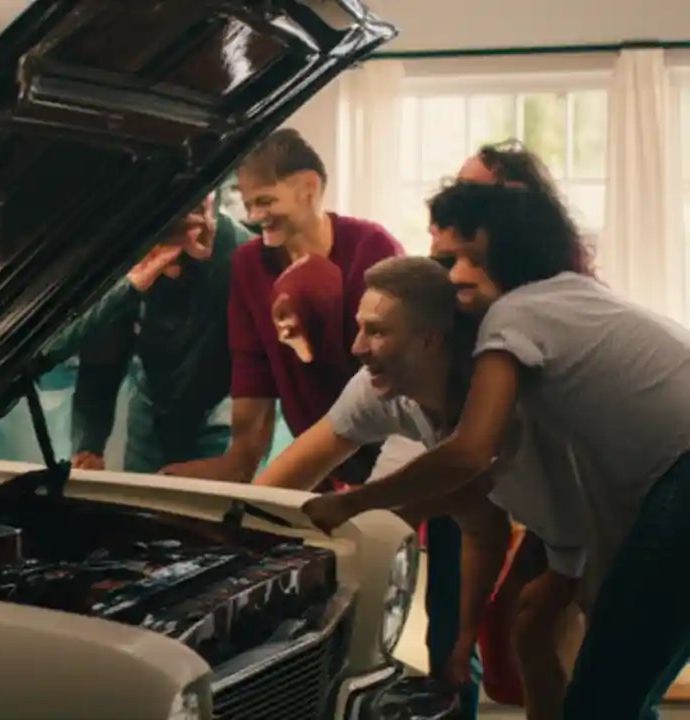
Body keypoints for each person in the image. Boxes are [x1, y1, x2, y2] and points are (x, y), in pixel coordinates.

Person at [302, 181, 690, 719]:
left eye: (471, 260)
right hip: (662, 484)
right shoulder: (568, 294)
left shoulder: (511, 319)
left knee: (605, 700)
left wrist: (352, 503)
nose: (455, 276)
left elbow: (469, 453)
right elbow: (485, 502)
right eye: (447, 259)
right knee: (612, 683)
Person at [256, 255, 588, 720]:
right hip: (568, 521)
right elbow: (480, 522)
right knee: (532, 641)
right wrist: (236, 527)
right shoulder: (376, 388)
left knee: (583, 664)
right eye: (358, 328)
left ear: (430, 340)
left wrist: (354, 503)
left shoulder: (496, 394)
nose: (357, 346)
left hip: (625, 501)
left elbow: (468, 464)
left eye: (375, 331)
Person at [161, 129, 403, 485]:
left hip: (394, 448)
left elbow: (400, 375)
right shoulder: (249, 264)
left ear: (308, 188)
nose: (255, 216)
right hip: (320, 455)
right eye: (248, 204)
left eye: (265, 201)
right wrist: (238, 462)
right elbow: (252, 368)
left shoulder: (372, 247)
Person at [454, 140, 590, 714]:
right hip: (553, 498)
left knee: (573, 649)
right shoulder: (479, 293)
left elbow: (473, 449)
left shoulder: (534, 301)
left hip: (593, 494)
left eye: (475, 195)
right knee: (521, 634)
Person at [40, 192, 254, 472]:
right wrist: (89, 444)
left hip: (219, 416)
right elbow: (93, 353)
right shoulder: (129, 256)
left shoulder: (242, 255)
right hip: (151, 413)